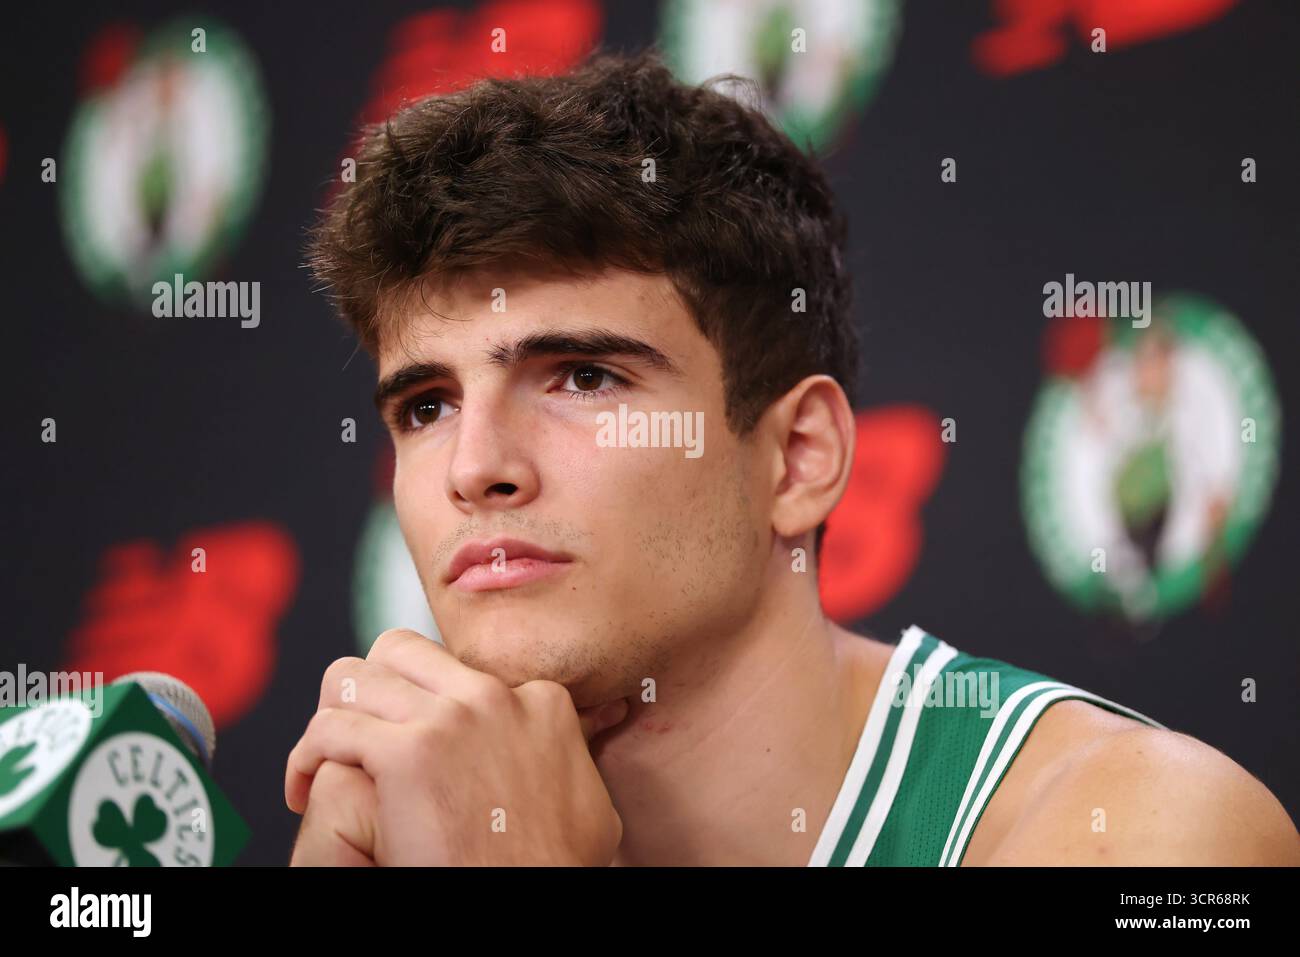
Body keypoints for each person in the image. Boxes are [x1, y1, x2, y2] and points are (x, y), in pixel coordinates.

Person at [286, 50, 1299, 866]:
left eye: (582, 377)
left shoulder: (1145, 834)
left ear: (798, 457)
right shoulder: (390, 826)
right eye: (426, 404)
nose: (475, 466)